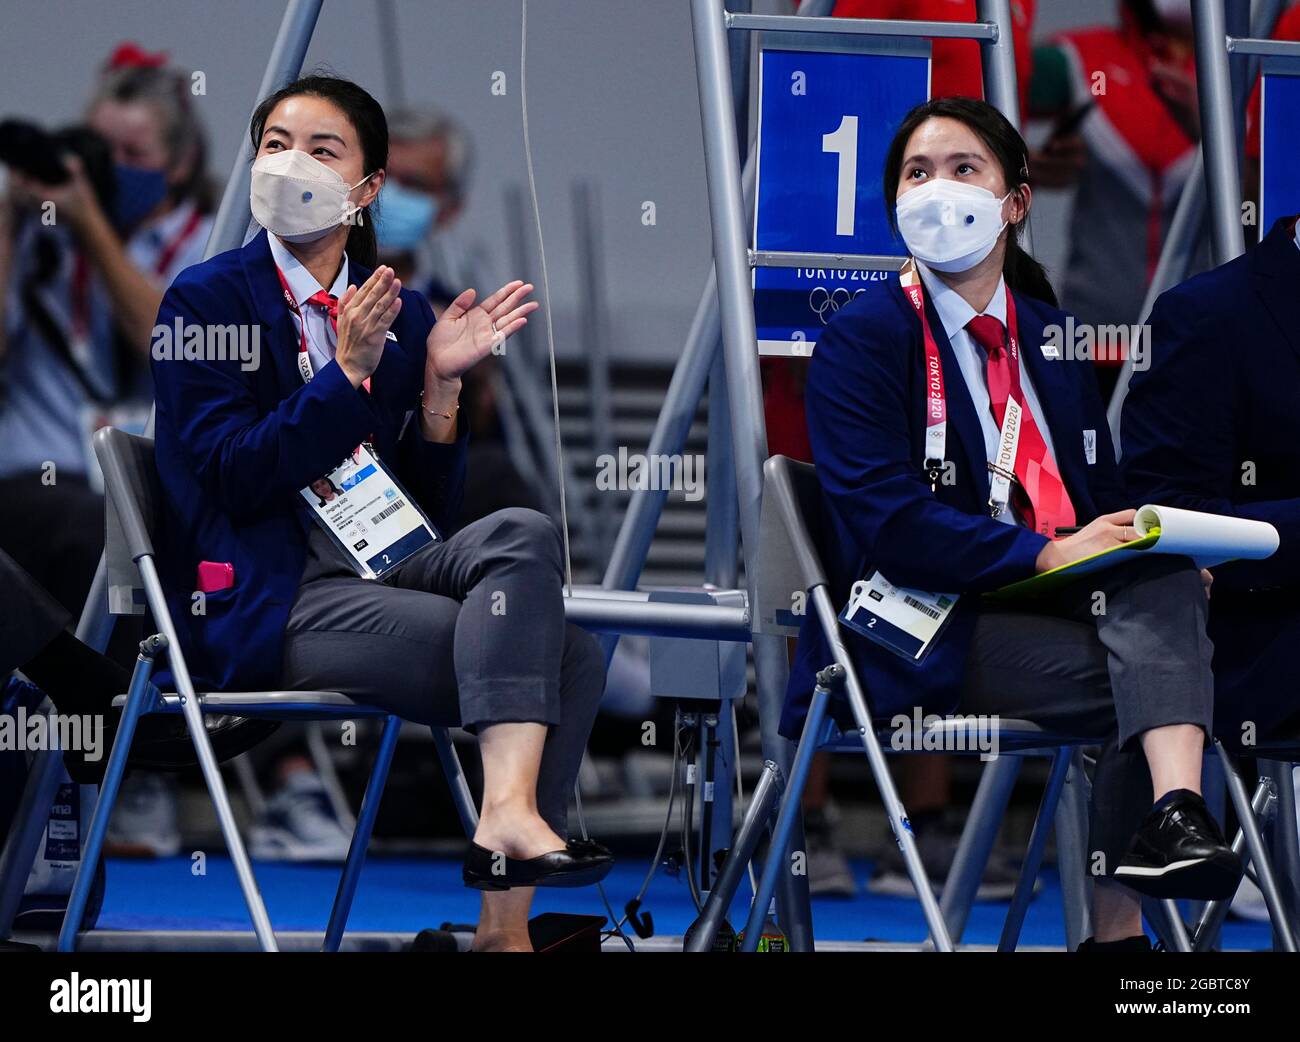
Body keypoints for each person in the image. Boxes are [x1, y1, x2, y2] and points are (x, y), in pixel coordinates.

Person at [148, 74, 610, 952]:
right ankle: (504, 925)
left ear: (365, 191)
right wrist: (345, 376)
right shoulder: (205, 302)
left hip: (378, 568)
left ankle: (504, 839)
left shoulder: (401, 309)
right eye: (276, 144)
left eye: (321, 151)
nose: (290, 164)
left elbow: (421, 518)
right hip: (271, 592)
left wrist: (439, 394)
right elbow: (233, 478)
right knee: (564, 655)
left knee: (525, 533)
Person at [783, 96, 1241, 950]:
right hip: (924, 617)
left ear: (1016, 202)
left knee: (1168, 582)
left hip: (1058, 599)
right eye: (918, 174)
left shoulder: (1053, 336)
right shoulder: (865, 339)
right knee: (1155, 686)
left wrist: (1141, 545)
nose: (937, 190)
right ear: (894, 207)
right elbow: (892, 526)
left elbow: (1100, 490)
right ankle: (1128, 920)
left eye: (964, 170)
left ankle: (1172, 822)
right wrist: (1047, 553)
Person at [1028, 0, 1203, 398]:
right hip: (1091, 341)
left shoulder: (1253, 70)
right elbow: (974, 89)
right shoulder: (1078, 59)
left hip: (1202, 344)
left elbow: (1265, 200)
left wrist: (1210, 127)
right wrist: (1022, 168)